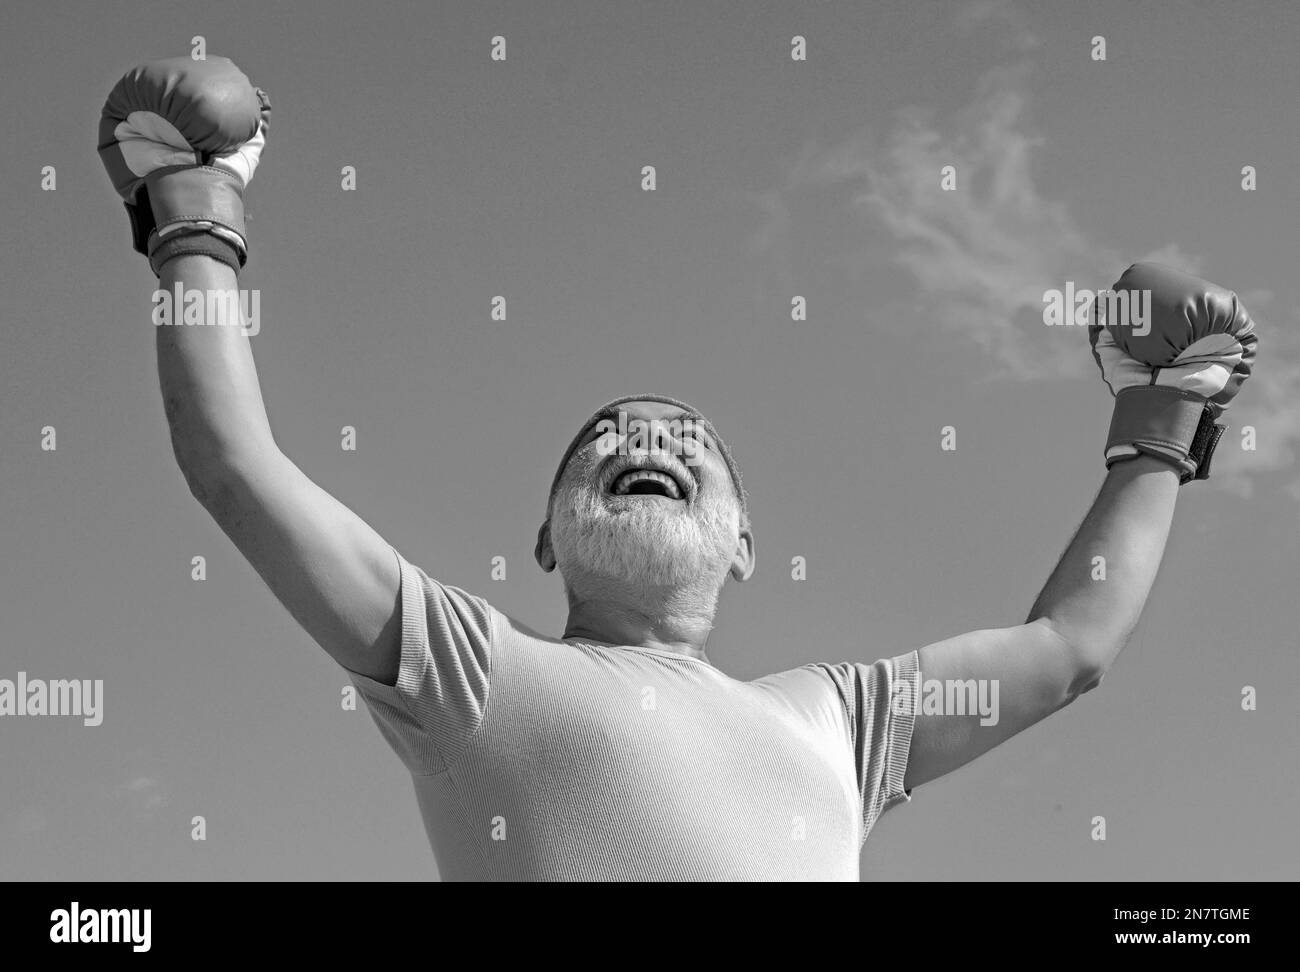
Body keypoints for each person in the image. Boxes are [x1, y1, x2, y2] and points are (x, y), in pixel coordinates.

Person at [98, 56, 1259, 881]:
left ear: (746, 545)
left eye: (689, 440)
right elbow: (237, 470)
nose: (649, 440)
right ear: (547, 537)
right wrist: (193, 216)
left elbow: (1068, 651)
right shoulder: (467, 668)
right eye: (605, 434)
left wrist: (1163, 425)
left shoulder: (841, 720)